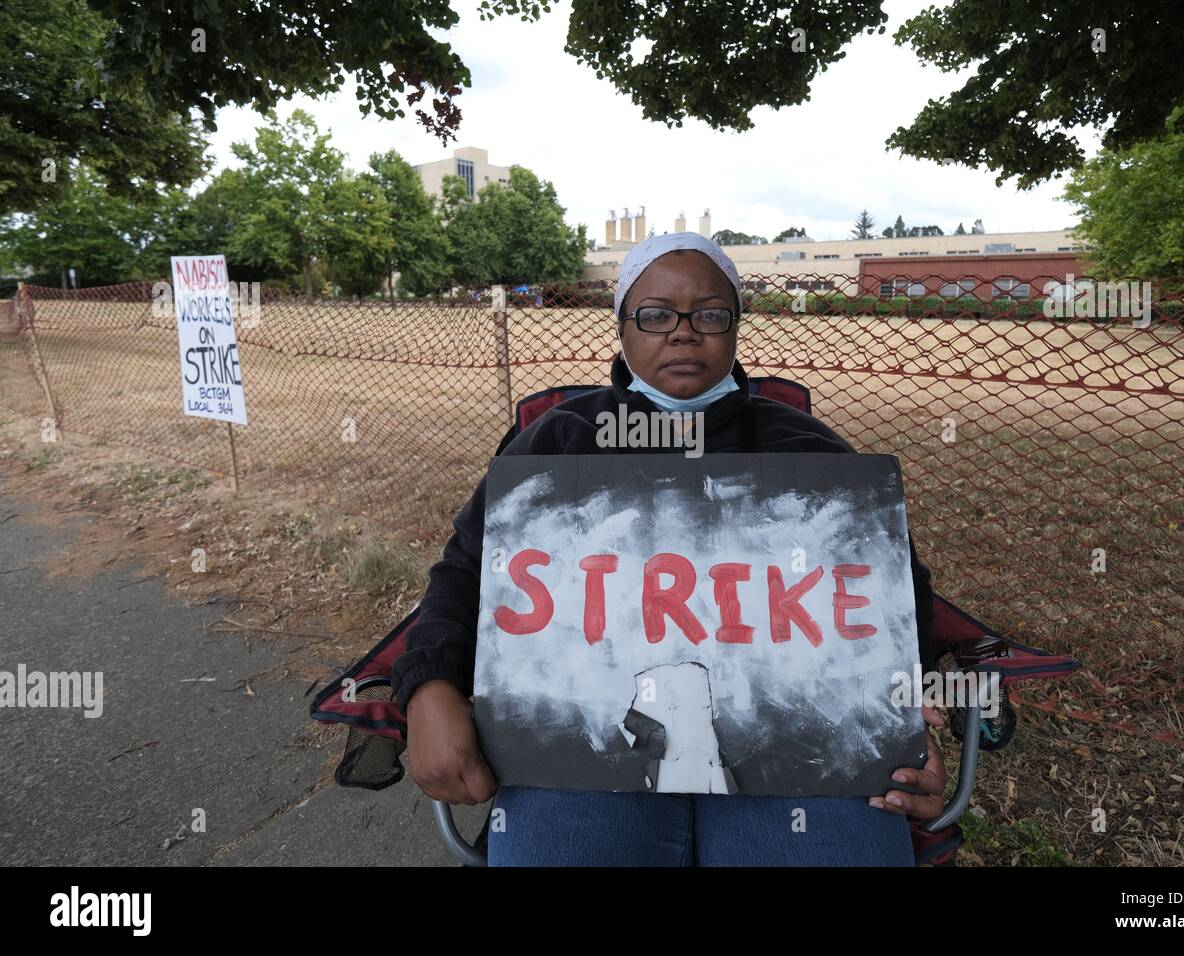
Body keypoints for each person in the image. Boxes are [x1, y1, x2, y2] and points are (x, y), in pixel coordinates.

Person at [394, 232, 948, 866]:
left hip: (799, 754)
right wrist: (428, 687)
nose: (683, 333)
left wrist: (901, 720)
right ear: (623, 329)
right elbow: (466, 574)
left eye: (710, 314)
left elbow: (893, 586)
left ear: (736, 327)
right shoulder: (558, 444)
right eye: (655, 315)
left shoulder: (807, 450)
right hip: (581, 751)